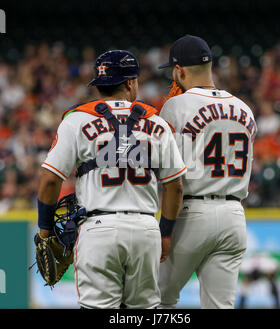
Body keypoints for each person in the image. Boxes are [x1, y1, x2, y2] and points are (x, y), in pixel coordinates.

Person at [36, 50, 186, 309]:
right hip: (145, 229)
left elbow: (50, 181)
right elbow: (175, 186)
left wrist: (45, 230)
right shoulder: (157, 123)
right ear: (130, 83)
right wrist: (165, 234)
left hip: (98, 229)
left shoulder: (77, 121)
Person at [158, 35, 257, 309]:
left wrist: (165, 228)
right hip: (234, 215)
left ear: (178, 70)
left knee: (155, 300)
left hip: (190, 213)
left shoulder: (175, 106)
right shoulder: (244, 109)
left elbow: (167, 174)